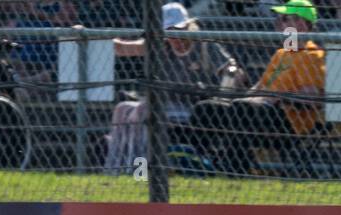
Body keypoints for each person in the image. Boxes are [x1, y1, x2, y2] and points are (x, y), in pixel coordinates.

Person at [187, 0, 325, 175]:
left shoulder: (311, 55)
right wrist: (242, 97)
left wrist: (279, 97)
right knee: (207, 108)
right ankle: (199, 163)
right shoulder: (282, 53)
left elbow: (313, 96)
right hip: (260, 111)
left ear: (300, 24)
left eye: (284, 19)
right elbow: (260, 86)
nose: (278, 23)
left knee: (243, 108)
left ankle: (236, 169)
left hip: (288, 121)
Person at [103, 2, 244, 173]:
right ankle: (116, 167)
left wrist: (229, 79)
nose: (175, 38)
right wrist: (87, 34)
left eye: (180, 30)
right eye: (169, 32)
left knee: (142, 111)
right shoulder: (160, 45)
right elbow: (122, 49)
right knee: (122, 108)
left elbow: (233, 71)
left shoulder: (205, 45)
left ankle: (139, 170)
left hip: (194, 107)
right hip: (164, 104)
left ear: (188, 26)